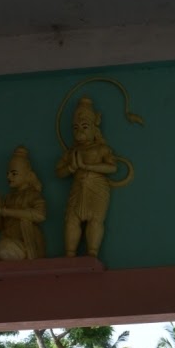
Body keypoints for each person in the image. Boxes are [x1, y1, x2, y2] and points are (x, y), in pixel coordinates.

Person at [56, 96, 117, 257]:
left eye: (84, 126)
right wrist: (71, 167)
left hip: (97, 188)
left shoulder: (101, 148)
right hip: (78, 188)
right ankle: (70, 253)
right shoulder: (72, 152)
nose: (79, 132)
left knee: (95, 220)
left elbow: (112, 167)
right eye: (75, 128)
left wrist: (88, 167)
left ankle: (92, 253)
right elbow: (59, 171)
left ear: (94, 127)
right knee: (71, 220)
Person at [0, 146, 46, 260]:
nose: (9, 177)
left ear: (28, 175)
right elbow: (0, 228)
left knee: (5, 248)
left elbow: (40, 215)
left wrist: (4, 211)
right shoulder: (9, 198)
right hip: (8, 241)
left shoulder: (33, 195)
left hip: (26, 245)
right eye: (8, 173)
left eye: (14, 173)